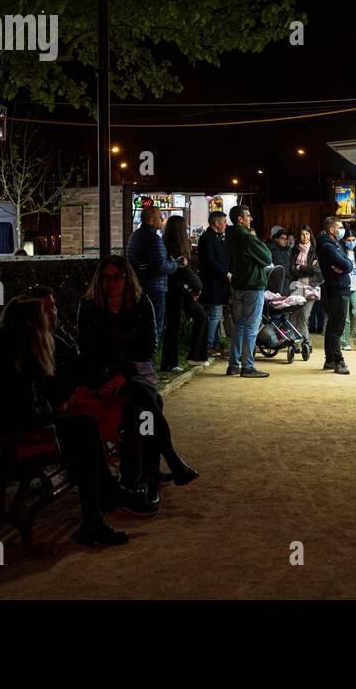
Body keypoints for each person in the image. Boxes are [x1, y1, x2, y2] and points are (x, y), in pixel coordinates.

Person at [0, 295, 136, 546]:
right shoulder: (18, 358)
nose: (49, 319)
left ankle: (99, 509)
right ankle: (98, 511)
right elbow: (27, 412)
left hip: (13, 430)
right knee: (82, 431)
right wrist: (56, 406)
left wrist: (53, 406)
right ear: (31, 324)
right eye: (44, 315)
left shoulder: (14, 351)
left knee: (83, 427)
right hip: (11, 440)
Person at [78, 256, 197, 509]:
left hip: (135, 375)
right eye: (107, 277)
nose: (112, 283)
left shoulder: (141, 304)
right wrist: (116, 374)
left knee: (140, 411)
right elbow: (88, 350)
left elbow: (148, 347)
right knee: (150, 402)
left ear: (127, 278)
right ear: (99, 280)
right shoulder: (89, 307)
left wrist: (126, 372)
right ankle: (162, 466)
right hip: (103, 378)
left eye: (118, 276)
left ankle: (140, 481)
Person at [126, 206, 181, 355]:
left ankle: (142, 361)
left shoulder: (135, 235)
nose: (162, 220)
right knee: (155, 325)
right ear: (151, 220)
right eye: (160, 217)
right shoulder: (153, 238)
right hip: (155, 287)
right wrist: (175, 263)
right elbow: (160, 266)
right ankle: (149, 363)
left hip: (140, 285)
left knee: (142, 325)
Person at [226, 204, 272, 378]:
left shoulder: (230, 238)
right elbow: (267, 258)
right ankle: (248, 366)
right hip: (253, 286)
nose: (251, 219)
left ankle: (233, 364)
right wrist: (256, 239)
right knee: (251, 327)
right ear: (240, 219)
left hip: (238, 285)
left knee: (240, 326)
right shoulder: (247, 238)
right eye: (248, 216)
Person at [161, 214, 209, 372]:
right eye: (185, 226)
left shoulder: (171, 245)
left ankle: (193, 356)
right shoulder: (173, 247)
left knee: (199, 317)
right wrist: (198, 286)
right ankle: (171, 362)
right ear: (180, 229)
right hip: (175, 290)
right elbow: (185, 271)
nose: (188, 228)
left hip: (180, 289)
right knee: (173, 326)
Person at [317, 216, 352, 374]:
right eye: (339, 226)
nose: (342, 229)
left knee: (332, 326)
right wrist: (345, 266)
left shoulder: (333, 243)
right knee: (336, 328)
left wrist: (345, 266)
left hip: (337, 289)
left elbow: (347, 264)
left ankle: (330, 359)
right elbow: (345, 263)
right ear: (332, 230)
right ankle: (338, 361)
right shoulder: (327, 246)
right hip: (336, 290)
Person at [197, 210, 232, 361]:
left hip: (219, 283)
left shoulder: (217, 237)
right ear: (216, 223)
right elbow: (210, 262)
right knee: (215, 315)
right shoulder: (207, 238)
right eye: (224, 222)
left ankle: (216, 344)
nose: (226, 225)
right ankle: (209, 346)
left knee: (217, 316)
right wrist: (226, 273)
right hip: (212, 283)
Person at [289, 226, 322, 338]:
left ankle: (305, 342)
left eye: (307, 234)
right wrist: (308, 269)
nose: (305, 237)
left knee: (304, 316)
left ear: (310, 235)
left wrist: (300, 268)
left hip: (311, 287)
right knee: (294, 315)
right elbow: (292, 271)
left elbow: (317, 270)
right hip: (296, 286)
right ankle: (297, 343)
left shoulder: (316, 251)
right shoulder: (294, 251)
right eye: (302, 234)